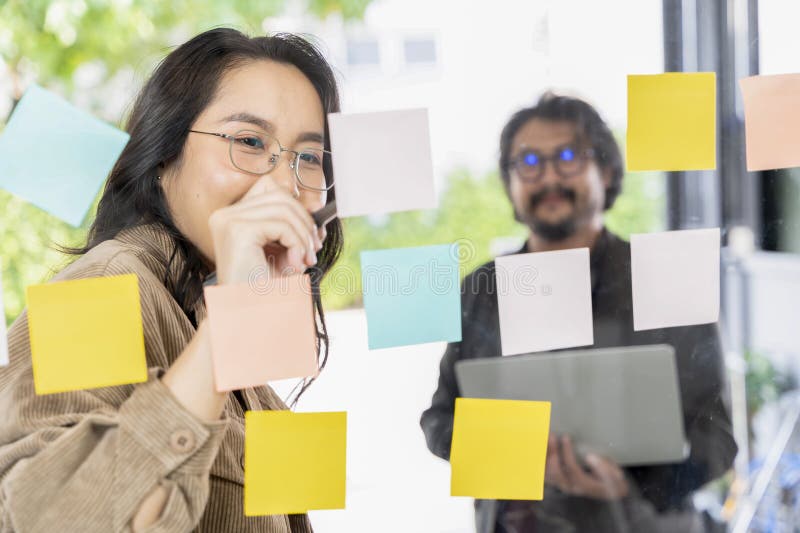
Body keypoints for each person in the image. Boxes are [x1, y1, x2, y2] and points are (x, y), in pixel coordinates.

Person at [0, 28, 342, 532]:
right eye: (249, 142)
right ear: (164, 156)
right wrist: (228, 331)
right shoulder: (99, 291)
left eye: (309, 158)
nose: (284, 186)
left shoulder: (209, 313)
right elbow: (54, 521)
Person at [420, 93, 738, 533]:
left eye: (568, 157)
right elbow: (440, 421)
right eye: (529, 162)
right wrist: (514, 454)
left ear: (605, 171)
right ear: (510, 182)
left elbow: (718, 439)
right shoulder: (483, 290)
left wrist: (632, 486)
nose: (549, 176)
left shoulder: (664, 281)